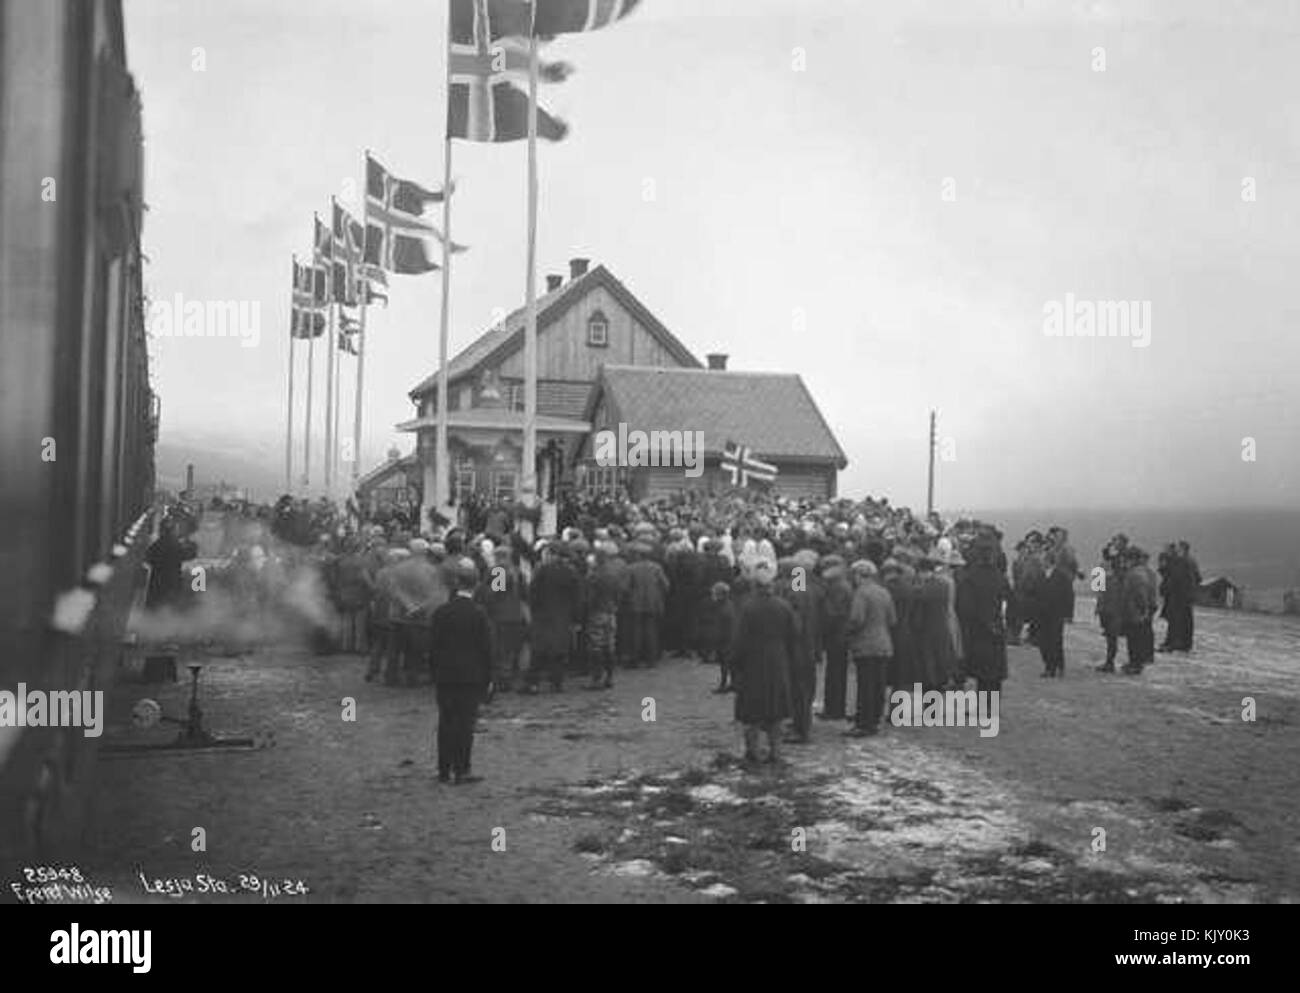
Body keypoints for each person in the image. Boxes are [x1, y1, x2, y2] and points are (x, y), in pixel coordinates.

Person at [429, 558, 492, 785]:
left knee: (446, 721)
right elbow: (486, 649)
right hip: (470, 676)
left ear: (456, 584)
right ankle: (462, 769)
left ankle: (443, 769)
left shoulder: (441, 612)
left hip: (445, 675)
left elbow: (433, 646)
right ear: (475, 585)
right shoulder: (479, 614)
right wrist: (489, 678)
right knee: (465, 724)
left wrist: (434, 672)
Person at [731, 561, 796, 765]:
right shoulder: (784, 606)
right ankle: (776, 752)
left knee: (752, 712)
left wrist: (735, 663)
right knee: (775, 711)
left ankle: (753, 751)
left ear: (755, 586)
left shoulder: (747, 608)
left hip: (753, 663)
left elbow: (739, 639)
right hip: (777, 661)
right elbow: (794, 634)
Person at [845, 560, 896, 737]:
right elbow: (892, 619)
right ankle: (875, 719)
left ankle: (863, 723)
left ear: (858, 576)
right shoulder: (884, 592)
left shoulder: (861, 594)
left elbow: (856, 619)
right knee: (878, 685)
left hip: (865, 645)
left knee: (865, 685)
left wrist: (848, 631)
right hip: (884, 643)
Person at [955, 538, 1008, 694]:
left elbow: (965, 608)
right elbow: (1009, 603)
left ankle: (982, 710)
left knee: (981, 674)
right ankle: (990, 710)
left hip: (976, 631)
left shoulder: (969, 577)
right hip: (996, 629)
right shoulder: (1000, 577)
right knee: (994, 676)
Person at [526, 543, 580, 693]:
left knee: (538, 650)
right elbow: (576, 596)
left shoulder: (542, 570)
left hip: (543, 615)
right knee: (558, 651)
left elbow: (532, 592)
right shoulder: (570, 572)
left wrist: (533, 608)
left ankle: (533, 683)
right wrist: (575, 617)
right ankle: (556, 682)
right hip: (562, 615)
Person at [476, 546, 527, 697]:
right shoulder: (517, 571)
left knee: (501, 648)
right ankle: (508, 676)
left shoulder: (499, 571)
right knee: (510, 649)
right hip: (516, 614)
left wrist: (482, 593)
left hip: (501, 615)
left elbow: (494, 594)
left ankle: (503, 680)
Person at [583, 542, 624, 690]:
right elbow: (619, 593)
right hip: (610, 611)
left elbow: (590, 597)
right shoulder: (613, 575)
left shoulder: (594, 576)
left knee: (596, 646)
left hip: (597, 612)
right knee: (609, 645)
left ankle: (596, 678)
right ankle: (609, 676)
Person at [817, 556, 853, 720]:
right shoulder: (840, 584)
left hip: (837, 635)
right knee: (834, 672)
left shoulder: (837, 586)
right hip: (839, 634)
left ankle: (834, 709)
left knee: (835, 673)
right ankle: (833, 707)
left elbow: (833, 612)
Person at [625, 544, 670, 667]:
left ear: (638, 555)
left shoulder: (631, 568)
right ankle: (651, 659)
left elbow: (626, 587)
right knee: (651, 631)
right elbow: (666, 585)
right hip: (653, 603)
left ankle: (634, 658)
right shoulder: (656, 568)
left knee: (636, 632)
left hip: (636, 603)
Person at [1121, 547, 1159, 674]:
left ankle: (1135, 664)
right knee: (1135, 637)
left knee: (1134, 638)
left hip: (1134, 611)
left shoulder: (1135, 574)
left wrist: (1143, 609)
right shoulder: (1139, 572)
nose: (1123, 562)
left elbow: (1140, 594)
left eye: (1125, 559)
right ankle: (1135, 662)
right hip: (1134, 610)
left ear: (1131, 559)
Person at [1037, 555, 1073, 677]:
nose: (1042, 563)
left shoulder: (1061, 576)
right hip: (1042, 613)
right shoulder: (1040, 575)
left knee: (1055, 640)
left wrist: (1068, 613)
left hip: (1056, 613)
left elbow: (1069, 594)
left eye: (1043, 561)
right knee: (1043, 641)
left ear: (1049, 562)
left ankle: (1056, 666)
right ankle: (1049, 665)